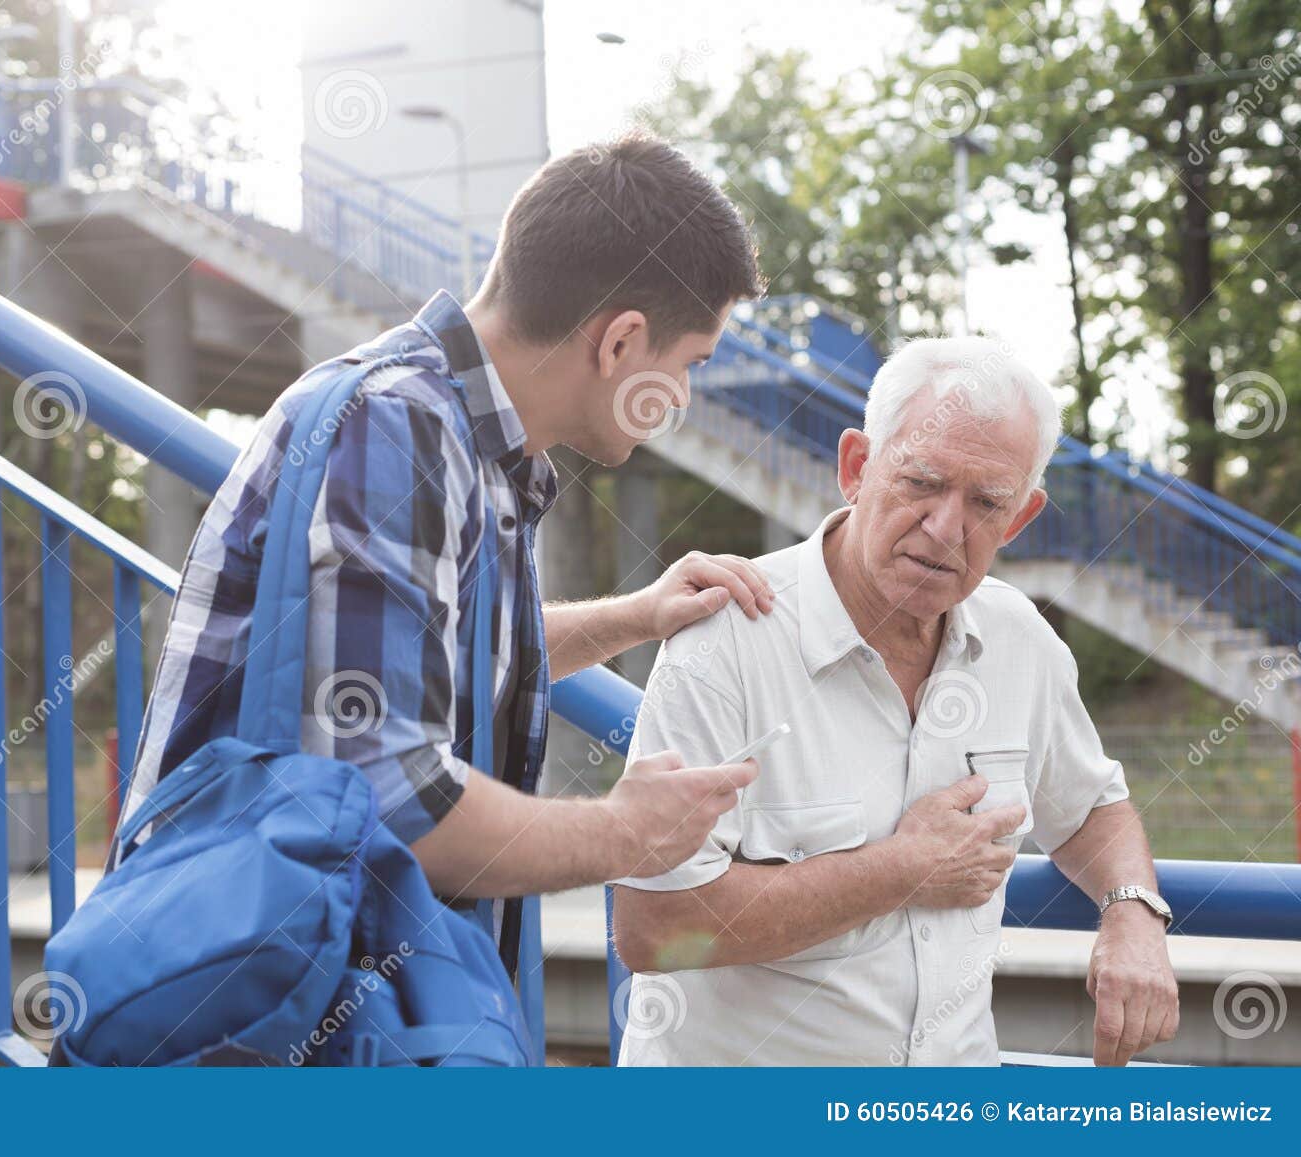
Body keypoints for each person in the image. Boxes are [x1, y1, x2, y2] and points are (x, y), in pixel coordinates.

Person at [118, 135, 771, 978]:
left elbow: (428, 647)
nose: (680, 398)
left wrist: (637, 616)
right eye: (690, 365)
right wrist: (629, 831)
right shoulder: (395, 429)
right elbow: (387, 795)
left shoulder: (463, 434)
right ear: (620, 344)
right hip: (247, 1009)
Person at [612, 337, 1180, 1066]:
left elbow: (1092, 806)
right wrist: (899, 869)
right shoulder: (726, 641)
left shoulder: (1019, 641)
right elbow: (653, 923)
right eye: (921, 481)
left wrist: (1134, 910)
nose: (946, 528)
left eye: (987, 502)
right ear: (856, 467)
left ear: (1021, 517)